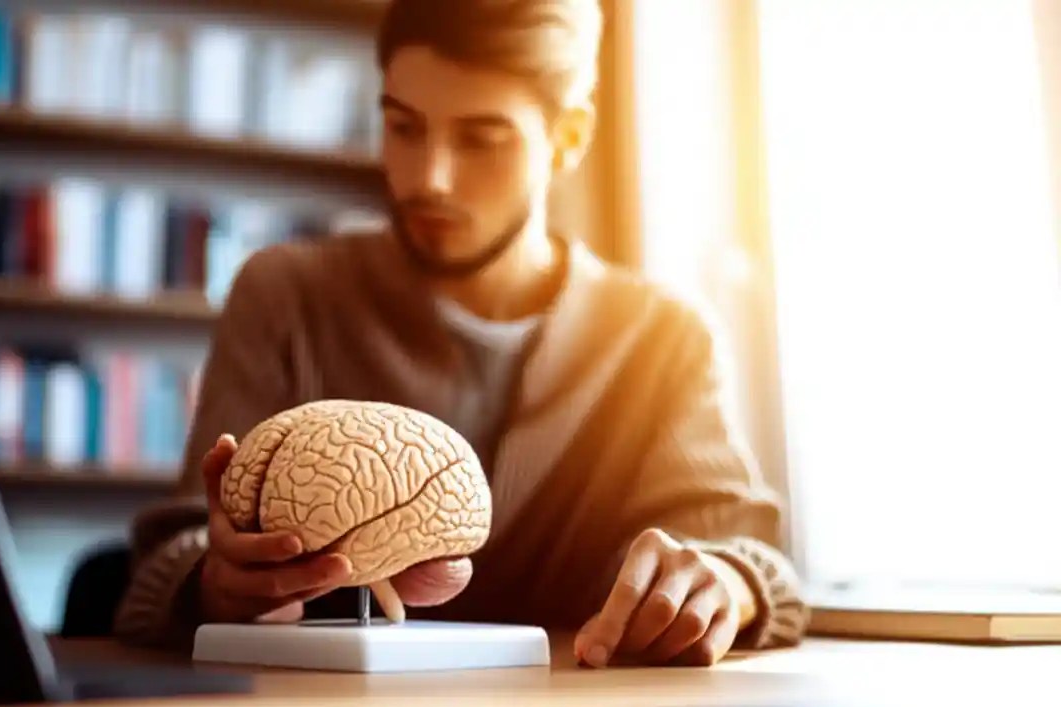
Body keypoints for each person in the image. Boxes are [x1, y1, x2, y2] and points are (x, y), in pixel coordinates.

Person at [114, 0, 810, 668]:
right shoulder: (287, 296)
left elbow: (742, 554)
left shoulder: (661, 339)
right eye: (403, 127)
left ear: (567, 137)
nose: (430, 179)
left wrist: (723, 585)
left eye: (481, 138)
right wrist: (213, 580)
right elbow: (172, 554)